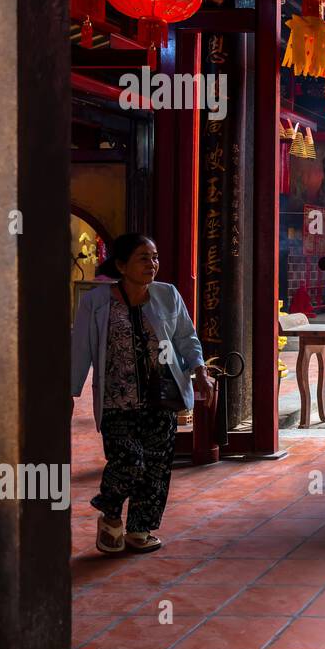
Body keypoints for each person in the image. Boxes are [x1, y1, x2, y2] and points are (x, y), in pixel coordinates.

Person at [71, 234, 213, 554]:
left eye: (155, 257)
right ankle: (109, 514)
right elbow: (80, 348)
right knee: (128, 460)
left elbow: (185, 338)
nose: (152, 264)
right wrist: (70, 390)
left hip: (160, 397)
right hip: (116, 401)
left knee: (156, 467)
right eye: (143, 258)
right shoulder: (95, 302)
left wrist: (199, 369)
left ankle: (139, 528)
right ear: (122, 265)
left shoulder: (167, 295)